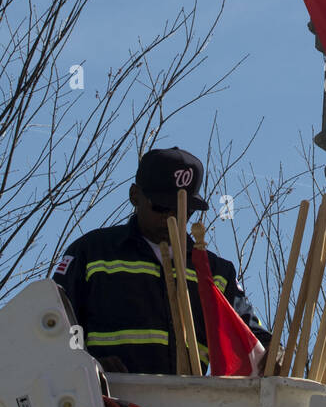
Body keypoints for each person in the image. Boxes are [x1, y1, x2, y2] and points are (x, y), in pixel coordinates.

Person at [53, 147, 271, 374]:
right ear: (135, 195)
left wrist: (274, 351)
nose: (172, 217)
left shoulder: (215, 271)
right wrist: (87, 362)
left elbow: (252, 336)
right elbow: (55, 322)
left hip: (189, 402)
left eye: (184, 209)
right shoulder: (91, 253)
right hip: (107, 400)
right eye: (161, 207)